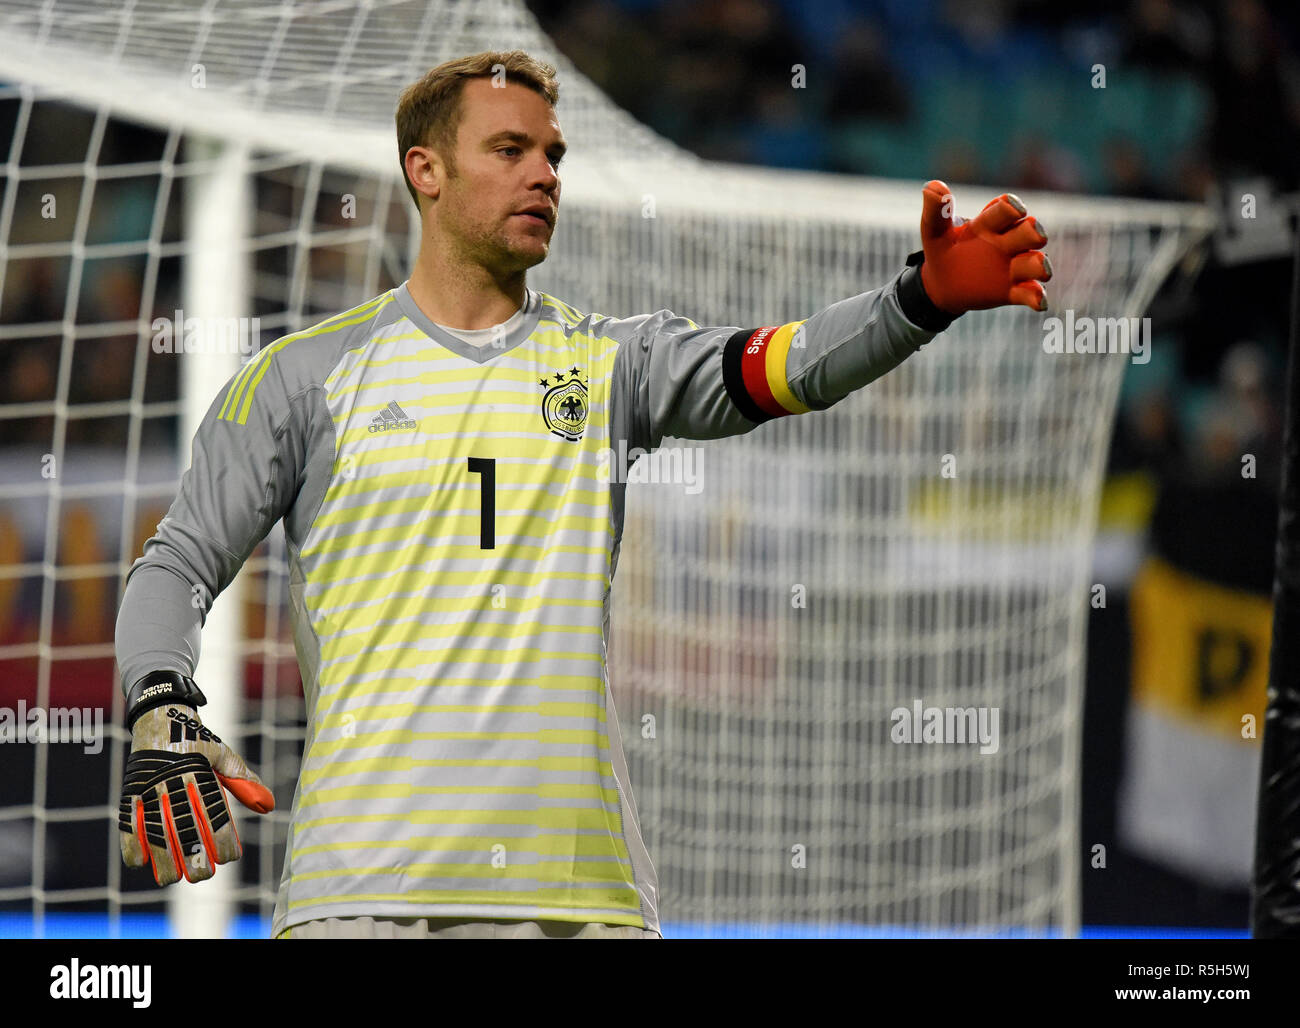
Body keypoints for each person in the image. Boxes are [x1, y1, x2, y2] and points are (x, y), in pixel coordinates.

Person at [115, 49, 1051, 940]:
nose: (546, 175)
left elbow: (781, 367)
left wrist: (917, 300)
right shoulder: (303, 377)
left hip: (580, 895)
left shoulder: (612, 364)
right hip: (360, 889)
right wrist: (162, 699)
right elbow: (177, 564)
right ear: (426, 172)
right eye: (510, 150)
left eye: (554, 155)